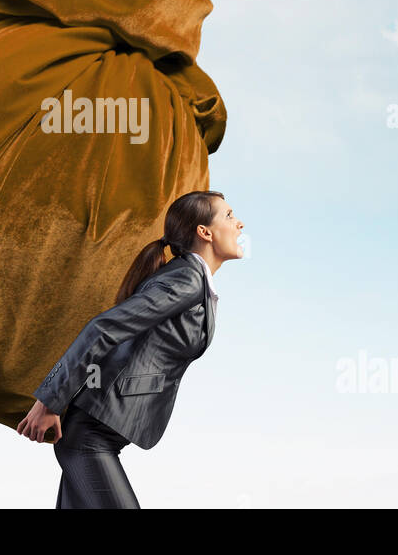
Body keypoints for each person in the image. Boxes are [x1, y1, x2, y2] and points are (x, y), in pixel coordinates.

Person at [17, 190, 244, 508]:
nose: (240, 224)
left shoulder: (191, 280)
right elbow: (104, 328)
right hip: (89, 440)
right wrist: (49, 403)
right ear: (204, 232)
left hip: (95, 435)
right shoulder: (186, 280)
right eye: (230, 216)